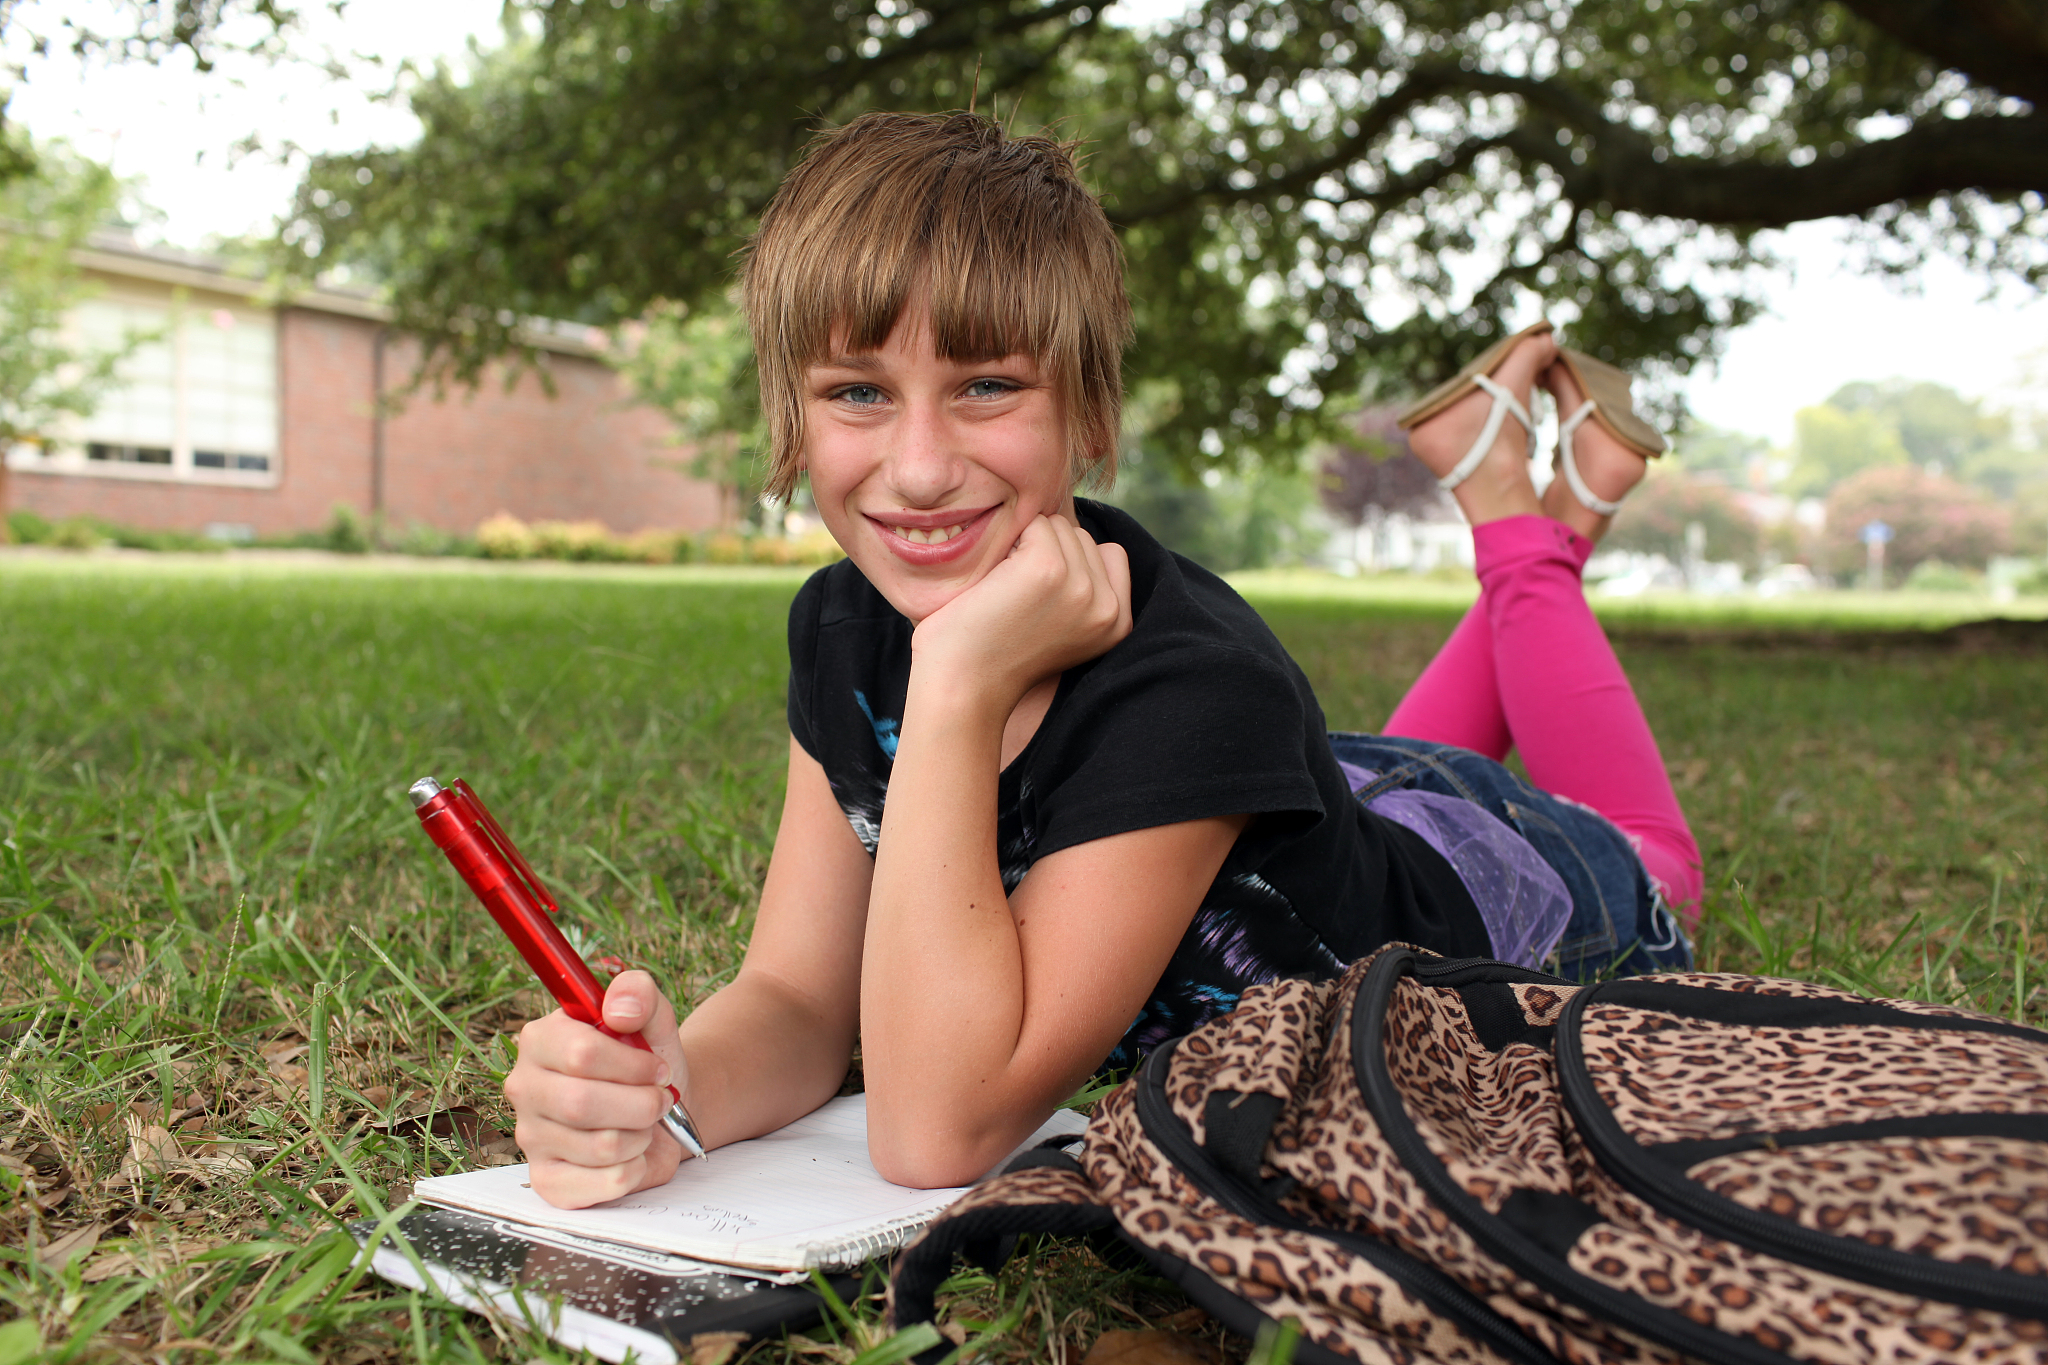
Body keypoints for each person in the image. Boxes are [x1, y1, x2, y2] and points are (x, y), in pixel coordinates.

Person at [503, 112, 1700, 1208]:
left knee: (1656, 859)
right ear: (790, 413)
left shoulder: (1193, 689)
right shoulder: (839, 625)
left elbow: (936, 1131)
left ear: (1087, 412)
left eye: (985, 386)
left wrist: (958, 681)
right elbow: (800, 1003)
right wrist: (668, 1093)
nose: (917, 469)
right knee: (1373, 783)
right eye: (858, 392)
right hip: (1339, 797)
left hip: (1509, 893)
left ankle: (1524, 526)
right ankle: (1542, 516)